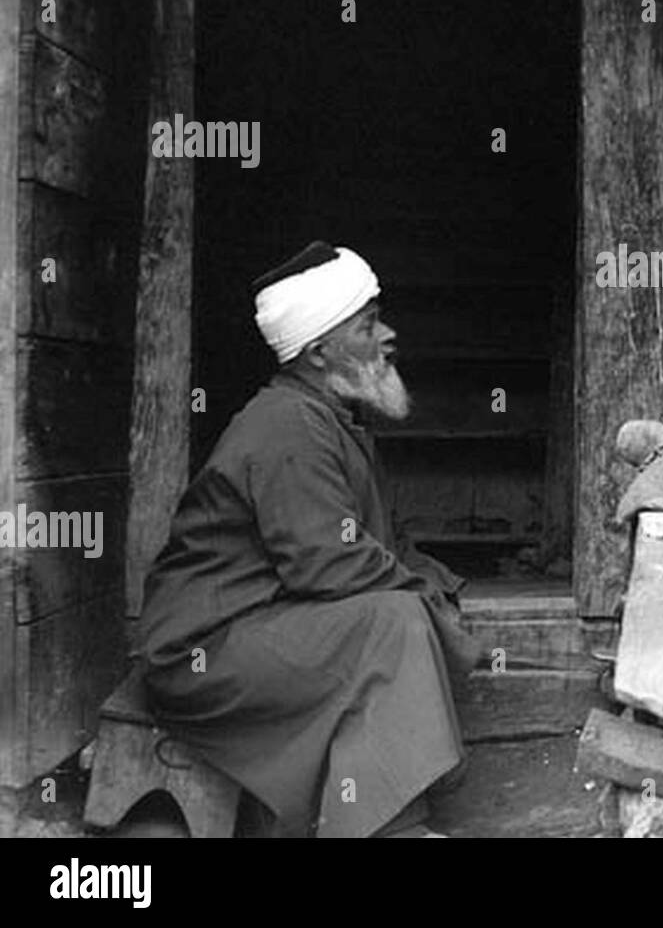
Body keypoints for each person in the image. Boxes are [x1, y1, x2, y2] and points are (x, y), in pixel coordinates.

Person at [135, 241, 481, 838]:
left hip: (262, 626)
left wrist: (438, 592)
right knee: (392, 623)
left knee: (402, 613)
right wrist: (422, 604)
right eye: (369, 326)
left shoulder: (328, 420)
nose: (389, 336)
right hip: (202, 652)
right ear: (319, 351)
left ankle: (350, 815)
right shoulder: (286, 425)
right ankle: (385, 828)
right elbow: (327, 566)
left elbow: (384, 546)